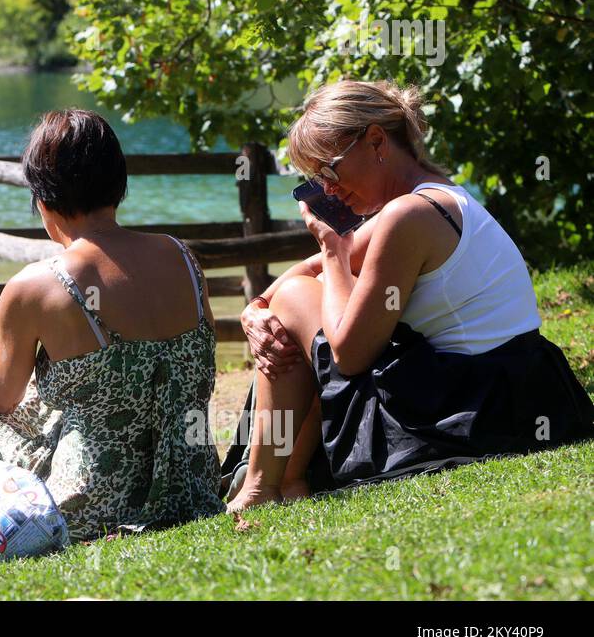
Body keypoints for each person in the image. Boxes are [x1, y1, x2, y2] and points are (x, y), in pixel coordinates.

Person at [225, 80, 594, 511]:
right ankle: (286, 482)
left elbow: (347, 355)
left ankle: (261, 487)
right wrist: (255, 309)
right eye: (313, 179)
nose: (326, 190)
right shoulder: (437, 195)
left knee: (294, 301)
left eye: (329, 170)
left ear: (377, 140)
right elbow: (313, 270)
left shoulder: (409, 215)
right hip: (512, 394)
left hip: (463, 412)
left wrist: (330, 248)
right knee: (292, 296)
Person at [0, 109, 224, 541]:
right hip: (192, 490)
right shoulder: (182, 257)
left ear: (42, 198)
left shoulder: (39, 285)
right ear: (119, 184)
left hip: (90, 503)